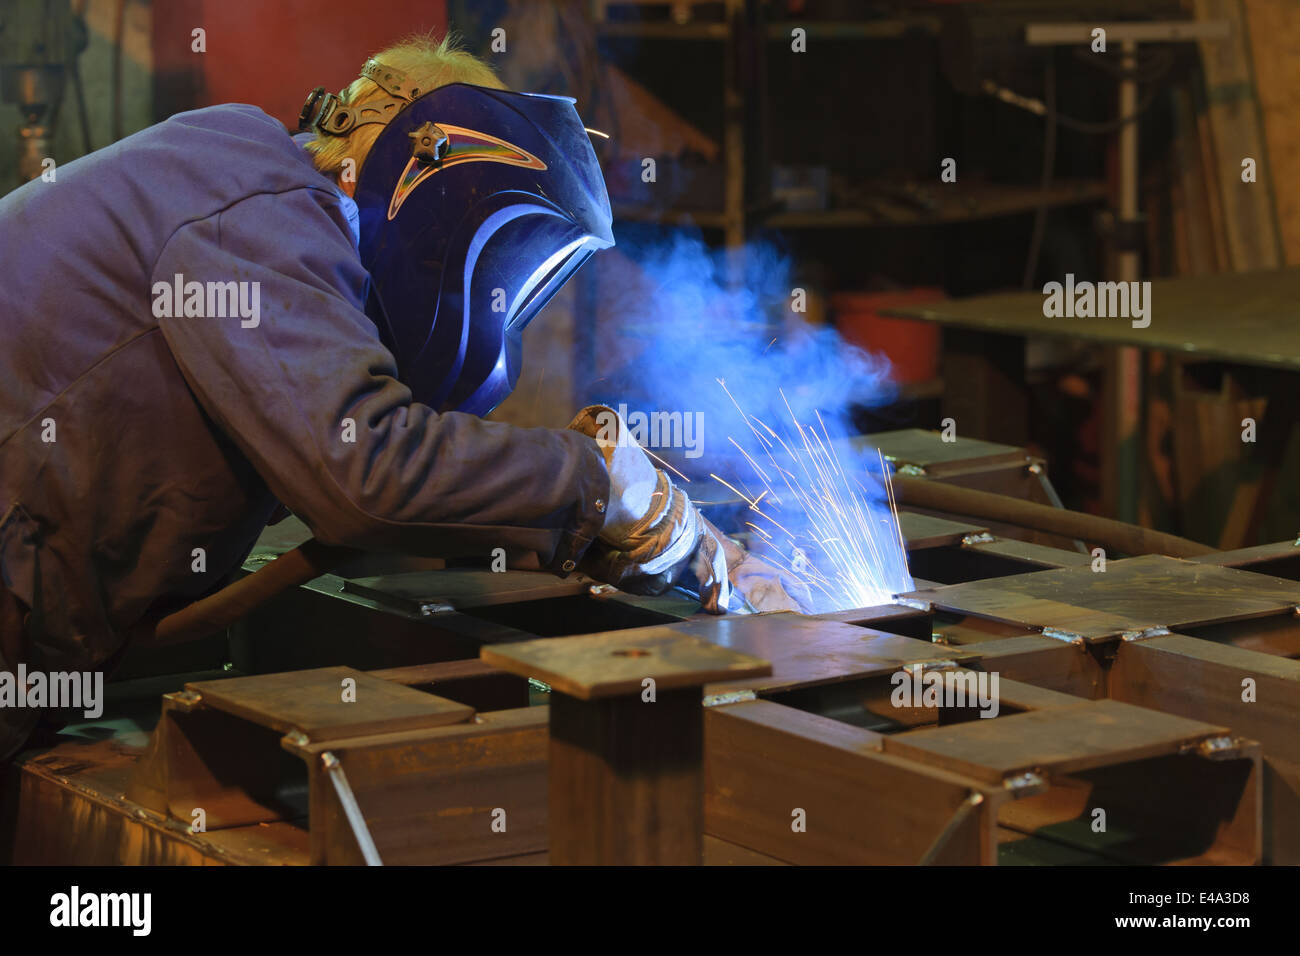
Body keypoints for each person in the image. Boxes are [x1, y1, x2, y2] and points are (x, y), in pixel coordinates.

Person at [0, 35, 806, 759]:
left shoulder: (257, 207)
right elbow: (366, 473)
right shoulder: (257, 199)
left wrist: (635, 533)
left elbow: (366, 481)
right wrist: (600, 479)